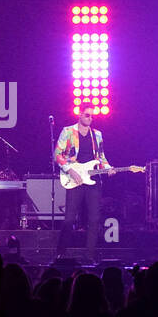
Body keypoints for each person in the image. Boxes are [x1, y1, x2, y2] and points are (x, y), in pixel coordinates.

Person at [55, 110, 109, 264]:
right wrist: (70, 170)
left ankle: (89, 256)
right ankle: (60, 253)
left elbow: (101, 157)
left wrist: (108, 167)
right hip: (74, 178)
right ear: (79, 115)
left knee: (94, 219)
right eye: (87, 115)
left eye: (92, 116)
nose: (90, 118)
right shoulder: (68, 131)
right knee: (69, 219)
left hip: (92, 180)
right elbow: (57, 154)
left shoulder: (97, 134)